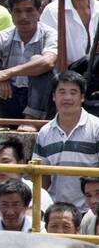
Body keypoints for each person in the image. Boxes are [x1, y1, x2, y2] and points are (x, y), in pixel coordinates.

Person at [33, 70, 99, 209]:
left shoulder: (96, 128)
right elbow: (42, 176)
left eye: (73, 92)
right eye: (62, 92)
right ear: (54, 97)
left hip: (91, 211)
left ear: (82, 97)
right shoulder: (45, 132)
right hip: (57, 210)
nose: (67, 97)